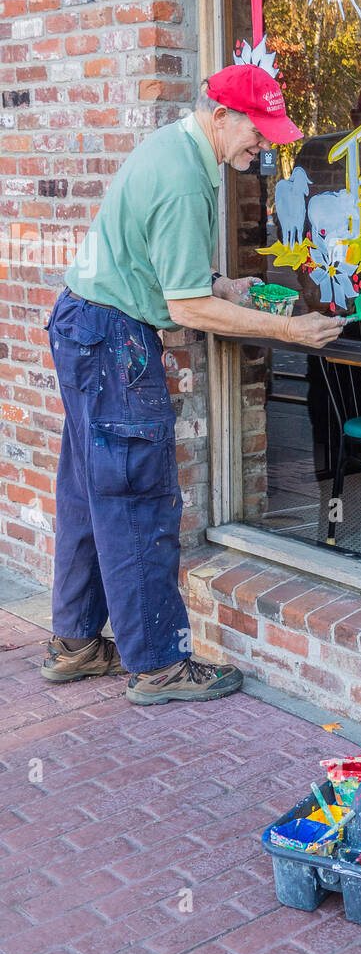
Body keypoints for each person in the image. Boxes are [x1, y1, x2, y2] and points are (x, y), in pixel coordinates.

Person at [42, 65, 344, 704]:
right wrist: (288, 334)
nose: (263, 147)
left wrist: (221, 284)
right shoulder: (184, 181)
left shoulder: (178, 152)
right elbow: (186, 311)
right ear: (220, 116)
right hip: (114, 342)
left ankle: (74, 643)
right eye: (256, 133)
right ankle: (158, 665)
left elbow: (170, 270)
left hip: (85, 327)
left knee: (88, 492)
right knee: (137, 498)